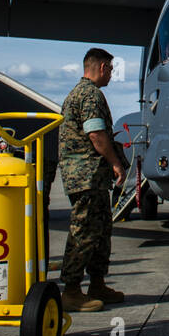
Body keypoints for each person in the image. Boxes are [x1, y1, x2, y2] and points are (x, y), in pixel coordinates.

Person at [57, 48, 127, 312]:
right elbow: (96, 134)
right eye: (110, 69)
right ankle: (72, 291)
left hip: (89, 177)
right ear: (100, 68)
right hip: (86, 176)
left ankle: (97, 284)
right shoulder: (90, 95)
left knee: (99, 231)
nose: (110, 74)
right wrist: (116, 163)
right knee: (84, 231)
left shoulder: (79, 94)